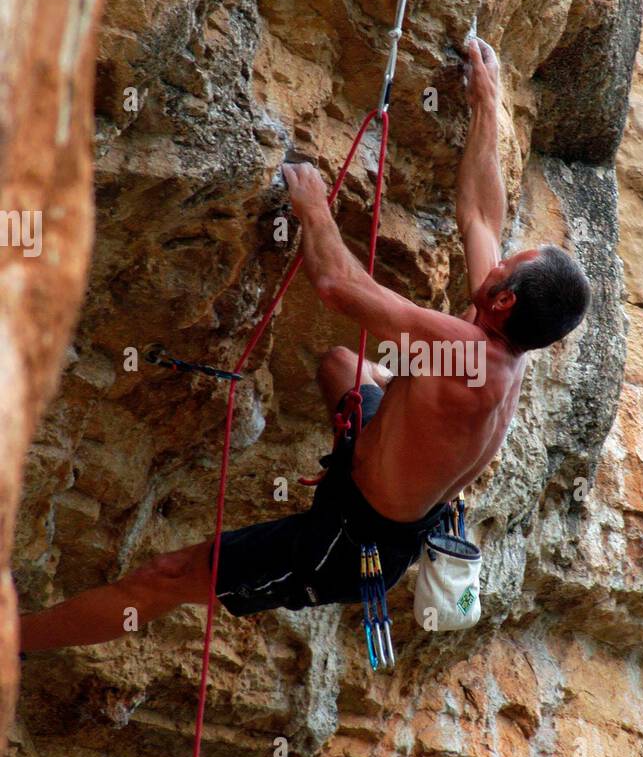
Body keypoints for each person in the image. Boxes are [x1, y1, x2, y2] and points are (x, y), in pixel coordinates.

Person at [19, 40, 590, 653]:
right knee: (346, 366)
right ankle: (389, 434)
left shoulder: (470, 350)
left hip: (347, 541)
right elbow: (481, 215)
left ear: (503, 300)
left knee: (166, 578)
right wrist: (486, 100)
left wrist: (313, 207)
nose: (498, 261)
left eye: (509, 266)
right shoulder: (505, 332)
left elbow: (338, 286)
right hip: (384, 479)